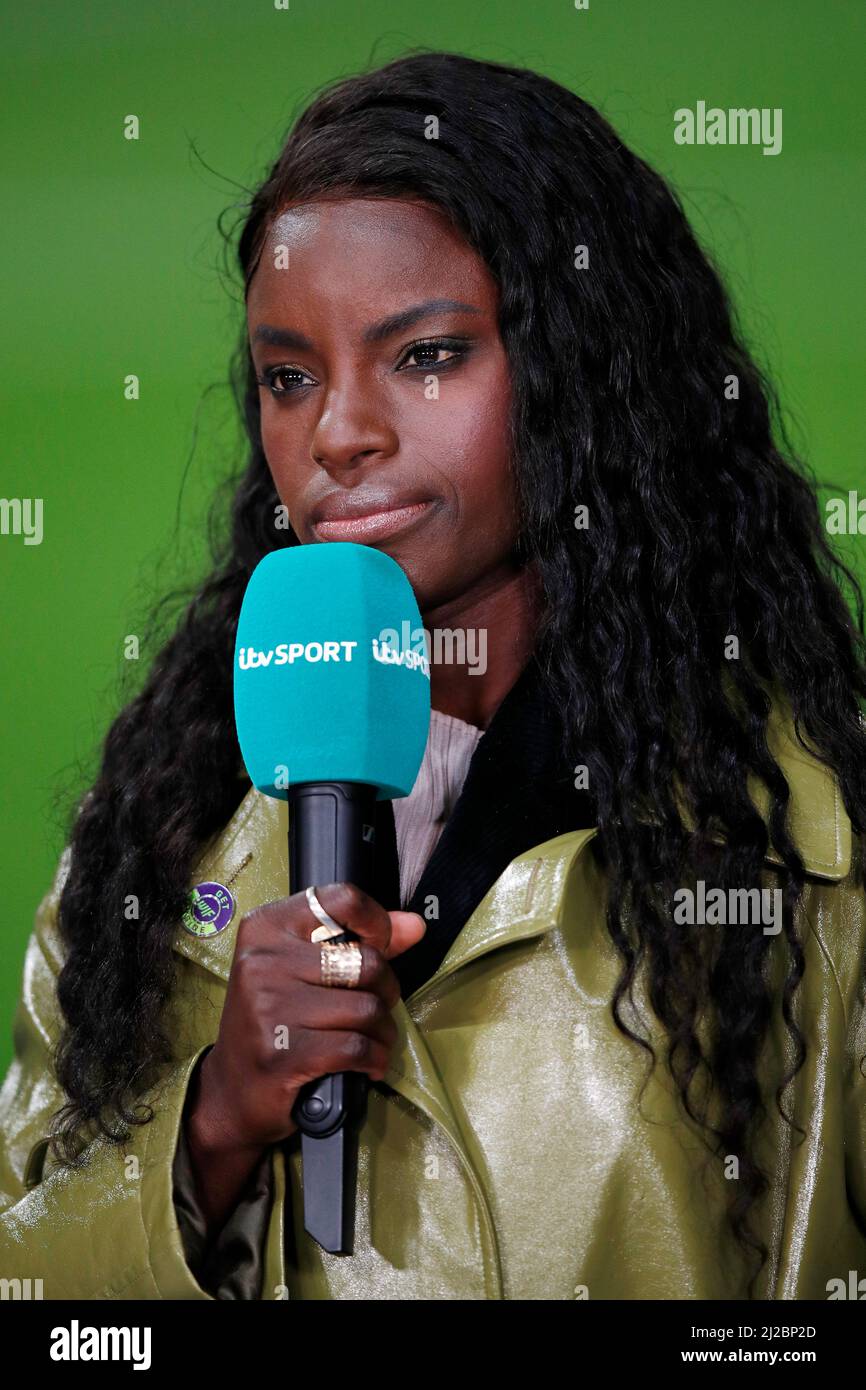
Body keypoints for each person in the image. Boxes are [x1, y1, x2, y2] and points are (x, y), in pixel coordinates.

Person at [2, 50, 865, 1302]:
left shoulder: (813, 856)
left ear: (578, 374)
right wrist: (211, 1134)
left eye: (424, 356)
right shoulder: (152, 845)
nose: (336, 431)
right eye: (288, 377)